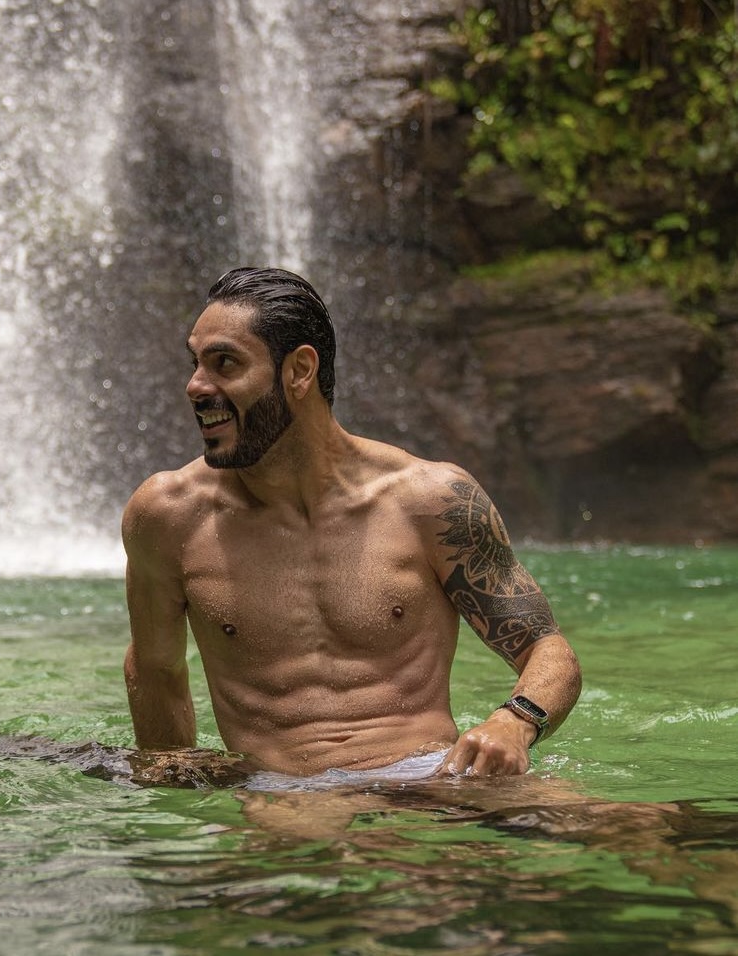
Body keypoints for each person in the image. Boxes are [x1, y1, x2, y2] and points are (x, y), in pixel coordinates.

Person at [122, 266, 582, 783]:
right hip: (283, 792)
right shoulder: (168, 515)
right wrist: (175, 793)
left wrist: (514, 722)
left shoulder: (430, 499)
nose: (195, 386)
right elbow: (155, 670)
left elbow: (548, 649)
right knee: (313, 834)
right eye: (195, 364)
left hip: (434, 776)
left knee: (642, 829)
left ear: (299, 371)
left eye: (224, 363)